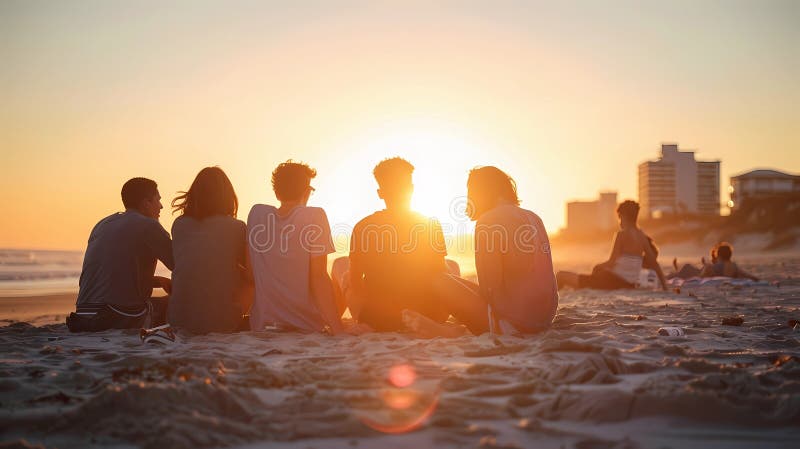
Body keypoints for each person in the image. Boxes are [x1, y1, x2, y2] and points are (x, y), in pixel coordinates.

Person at [402, 166, 559, 336]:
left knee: (439, 280)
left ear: (483, 192)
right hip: (543, 320)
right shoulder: (534, 217)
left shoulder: (488, 220)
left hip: (512, 323)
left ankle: (451, 331)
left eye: (471, 194)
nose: (468, 201)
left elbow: (488, 289)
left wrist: (461, 306)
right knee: (451, 278)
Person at [344, 157, 452, 332]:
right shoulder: (430, 224)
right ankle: (434, 319)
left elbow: (356, 283)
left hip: (379, 319)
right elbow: (440, 273)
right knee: (451, 267)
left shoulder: (363, 226)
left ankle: (343, 322)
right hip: (427, 314)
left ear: (380, 193)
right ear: (411, 189)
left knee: (342, 267)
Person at [247, 161, 346, 334]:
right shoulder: (315, 215)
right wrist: (338, 330)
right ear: (307, 191)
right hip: (307, 323)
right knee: (341, 267)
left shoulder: (257, 214)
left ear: (277, 192)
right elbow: (319, 278)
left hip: (263, 324)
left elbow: (251, 271)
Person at [67, 178, 174, 332]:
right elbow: (179, 264)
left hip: (84, 314)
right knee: (178, 302)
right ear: (146, 203)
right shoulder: (149, 226)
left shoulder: (102, 224)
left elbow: (113, 274)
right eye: (158, 200)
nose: (161, 206)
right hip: (116, 316)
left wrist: (158, 281)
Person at [167, 167, 253, 334]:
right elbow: (250, 273)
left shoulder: (179, 224)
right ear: (227, 196)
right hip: (221, 322)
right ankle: (237, 316)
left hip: (177, 319)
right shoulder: (236, 227)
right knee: (250, 277)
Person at [557, 200, 668, 291]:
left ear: (623, 216)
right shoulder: (642, 237)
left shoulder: (621, 235)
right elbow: (655, 264)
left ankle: (552, 301)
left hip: (611, 281)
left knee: (560, 275)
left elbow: (612, 262)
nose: (619, 222)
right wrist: (665, 287)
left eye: (619, 217)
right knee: (588, 279)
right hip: (628, 284)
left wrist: (597, 266)